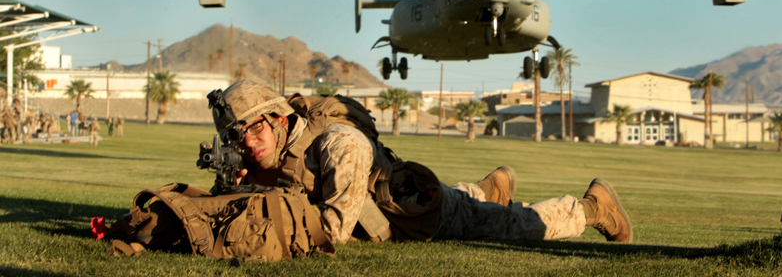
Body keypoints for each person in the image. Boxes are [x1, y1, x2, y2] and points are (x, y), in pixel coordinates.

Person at [208, 80, 633, 246]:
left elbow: (333, 231)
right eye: (237, 136)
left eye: (253, 129)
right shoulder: (277, 152)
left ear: (280, 119)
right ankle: (488, 190)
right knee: (471, 202)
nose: (247, 142)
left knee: (514, 227)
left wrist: (262, 197)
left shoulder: (339, 144)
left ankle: (593, 207)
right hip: (399, 201)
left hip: (418, 216)